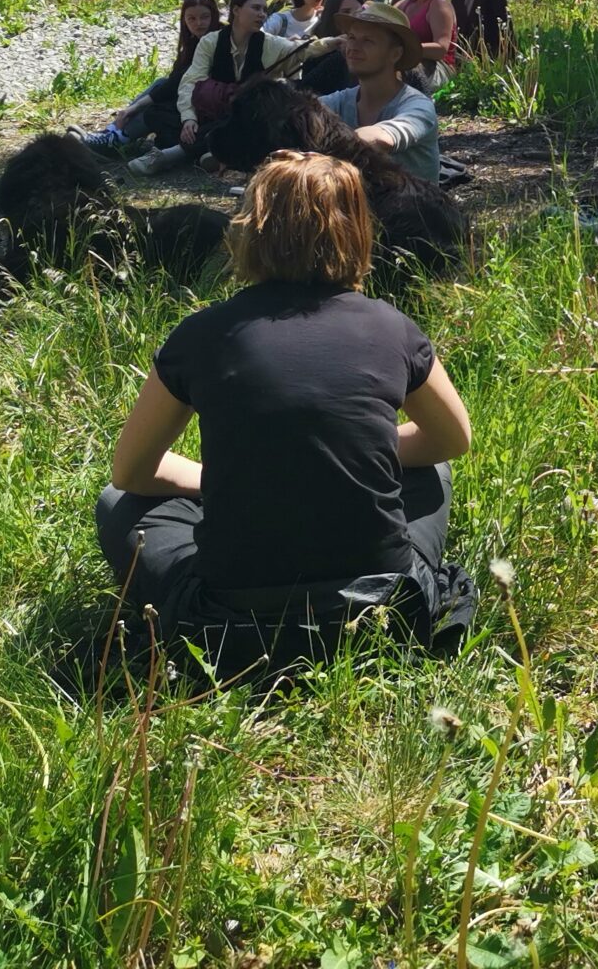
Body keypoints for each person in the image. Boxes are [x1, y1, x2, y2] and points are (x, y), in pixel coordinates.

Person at [95, 152, 476, 677]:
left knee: (116, 503)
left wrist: (229, 478)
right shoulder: (391, 327)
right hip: (381, 610)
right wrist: (346, 458)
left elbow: (131, 472)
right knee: (430, 471)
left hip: (228, 617)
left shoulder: (202, 335)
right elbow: (452, 440)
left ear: (249, 230)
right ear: (358, 230)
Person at [136, 0, 303, 176]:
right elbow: (189, 81)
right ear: (236, 10)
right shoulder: (211, 41)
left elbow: (304, 50)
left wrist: (325, 42)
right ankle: (213, 151)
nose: (262, 14)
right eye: (256, 8)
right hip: (210, 111)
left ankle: (174, 153)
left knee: (241, 119)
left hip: (242, 117)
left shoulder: (270, 43)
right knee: (156, 114)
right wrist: (189, 118)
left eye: (264, 10)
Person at [78, 0, 220, 156]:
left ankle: (119, 138)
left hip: (208, 106)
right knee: (160, 84)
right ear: (184, 20)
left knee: (154, 105)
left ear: (214, 16)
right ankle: (113, 131)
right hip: (190, 97)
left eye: (205, 17)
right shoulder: (193, 43)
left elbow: (177, 83)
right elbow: (174, 81)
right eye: (192, 19)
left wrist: (135, 107)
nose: (199, 23)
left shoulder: (217, 40)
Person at [322, 1, 443, 183]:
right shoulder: (340, 101)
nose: (353, 47)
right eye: (352, 37)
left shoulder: (417, 106)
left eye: (367, 40)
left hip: (411, 201)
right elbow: (302, 112)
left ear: (395, 54)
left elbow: (383, 139)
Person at [400, 0, 460, 88]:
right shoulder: (405, 4)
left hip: (439, 67)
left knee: (404, 73)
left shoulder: (439, 3)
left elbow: (441, 49)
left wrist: (404, 49)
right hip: (408, 61)